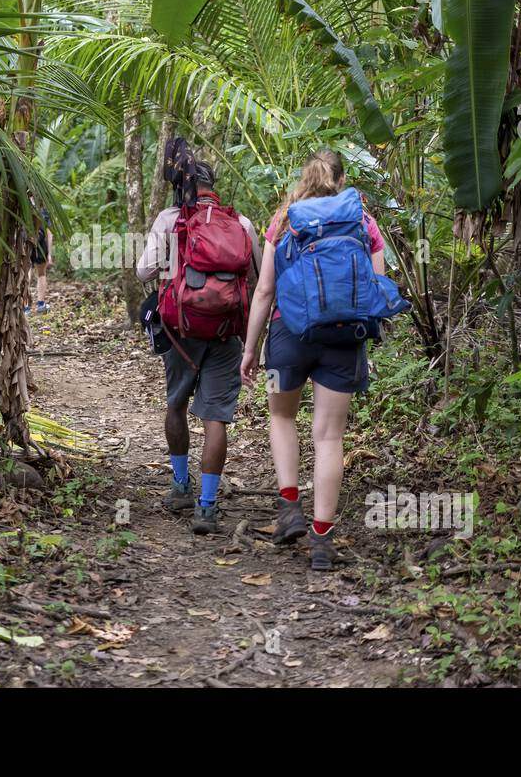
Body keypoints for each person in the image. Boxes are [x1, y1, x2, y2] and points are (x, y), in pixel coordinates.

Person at [239, 150, 387, 570]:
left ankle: (290, 509)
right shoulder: (362, 221)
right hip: (343, 339)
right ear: (341, 180)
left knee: (280, 416)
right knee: (329, 437)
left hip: (287, 337)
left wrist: (251, 350)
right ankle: (322, 542)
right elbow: (375, 286)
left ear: (305, 177)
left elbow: (264, 291)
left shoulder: (283, 219)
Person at [136, 160, 261, 534]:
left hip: (179, 332)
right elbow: (255, 279)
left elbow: (143, 272)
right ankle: (206, 507)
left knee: (175, 403)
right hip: (226, 334)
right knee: (215, 418)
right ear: (213, 186)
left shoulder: (169, 219)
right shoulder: (241, 224)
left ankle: (179, 487)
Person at [28, 198, 52, 314]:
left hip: (26, 241)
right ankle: (41, 304)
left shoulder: (24, 207)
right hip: (41, 243)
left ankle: (25, 306)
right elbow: (49, 233)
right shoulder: (44, 210)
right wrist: (49, 254)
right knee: (41, 273)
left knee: (27, 271)